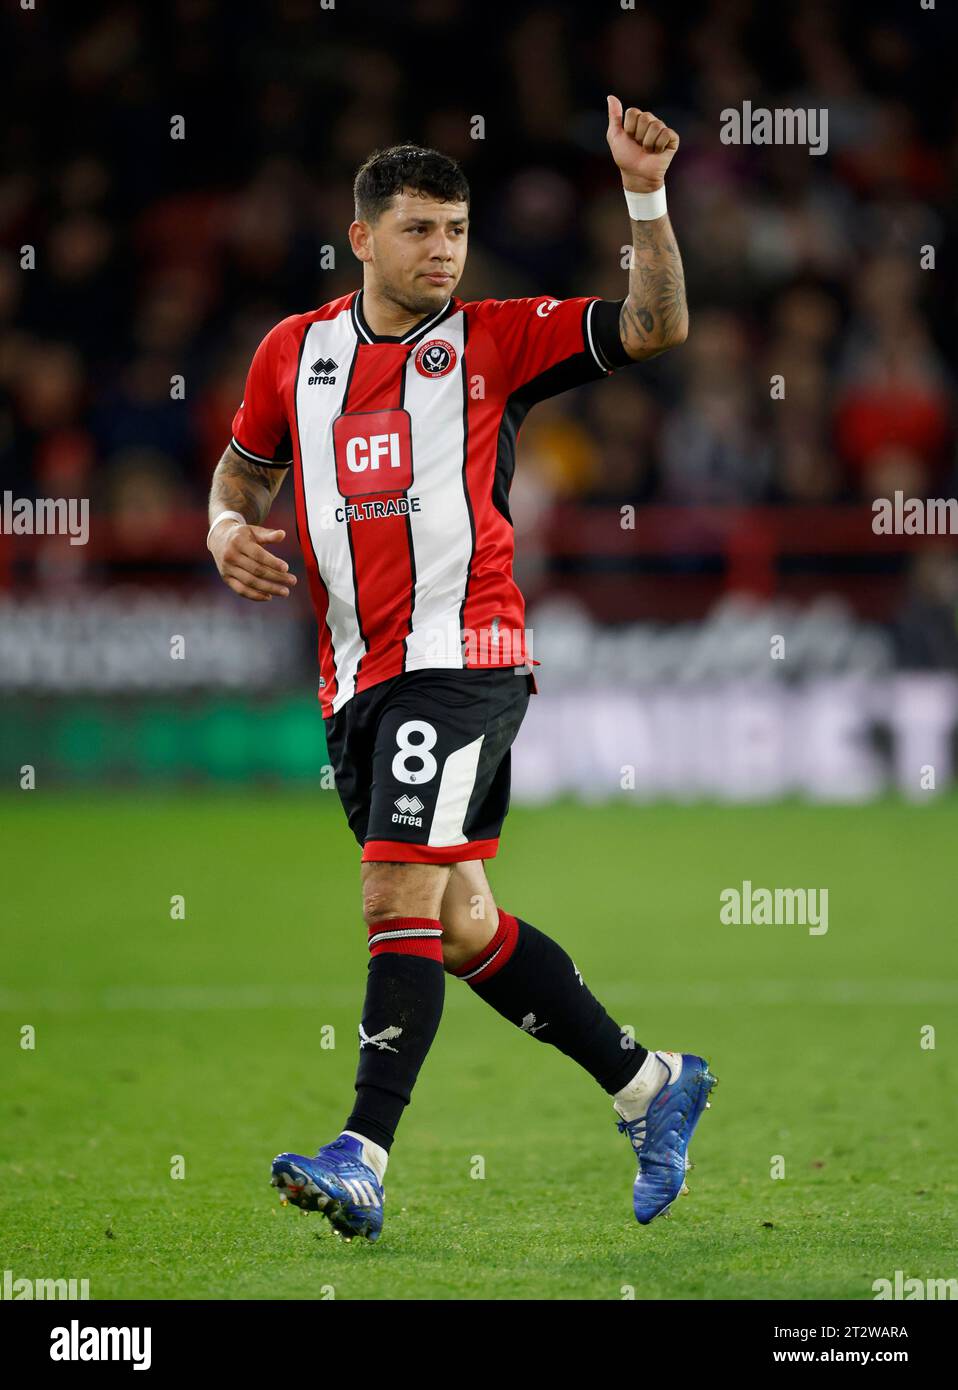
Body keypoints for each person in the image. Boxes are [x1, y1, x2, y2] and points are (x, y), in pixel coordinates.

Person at [206, 97, 715, 1242]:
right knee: (459, 924)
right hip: (356, 680)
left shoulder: (494, 340)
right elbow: (241, 477)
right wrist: (218, 530)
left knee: (395, 891)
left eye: (456, 230)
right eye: (421, 229)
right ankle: (650, 1083)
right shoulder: (294, 353)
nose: (443, 251)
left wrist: (643, 195)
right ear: (362, 238)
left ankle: (363, 1151)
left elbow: (653, 324)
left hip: (464, 658)